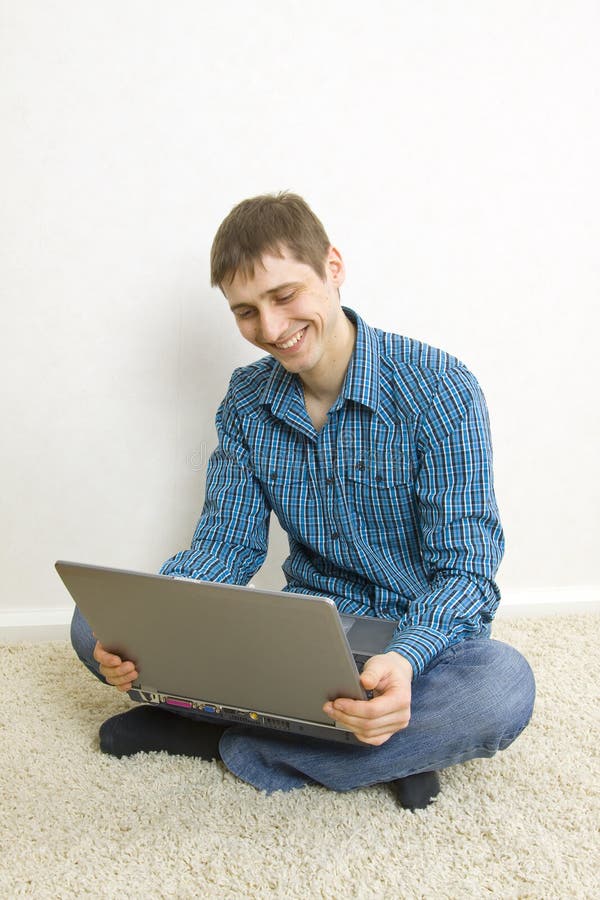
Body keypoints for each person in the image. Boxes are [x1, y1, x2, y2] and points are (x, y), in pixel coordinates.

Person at [71, 192, 536, 811]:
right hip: (306, 631)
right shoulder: (246, 400)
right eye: (245, 311)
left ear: (332, 268)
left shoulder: (438, 386)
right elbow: (225, 546)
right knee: (94, 626)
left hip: (414, 644)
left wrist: (406, 659)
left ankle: (226, 742)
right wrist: (155, 618)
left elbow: (467, 573)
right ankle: (375, 752)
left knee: (500, 689)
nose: (270, 329)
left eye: (284, 295)